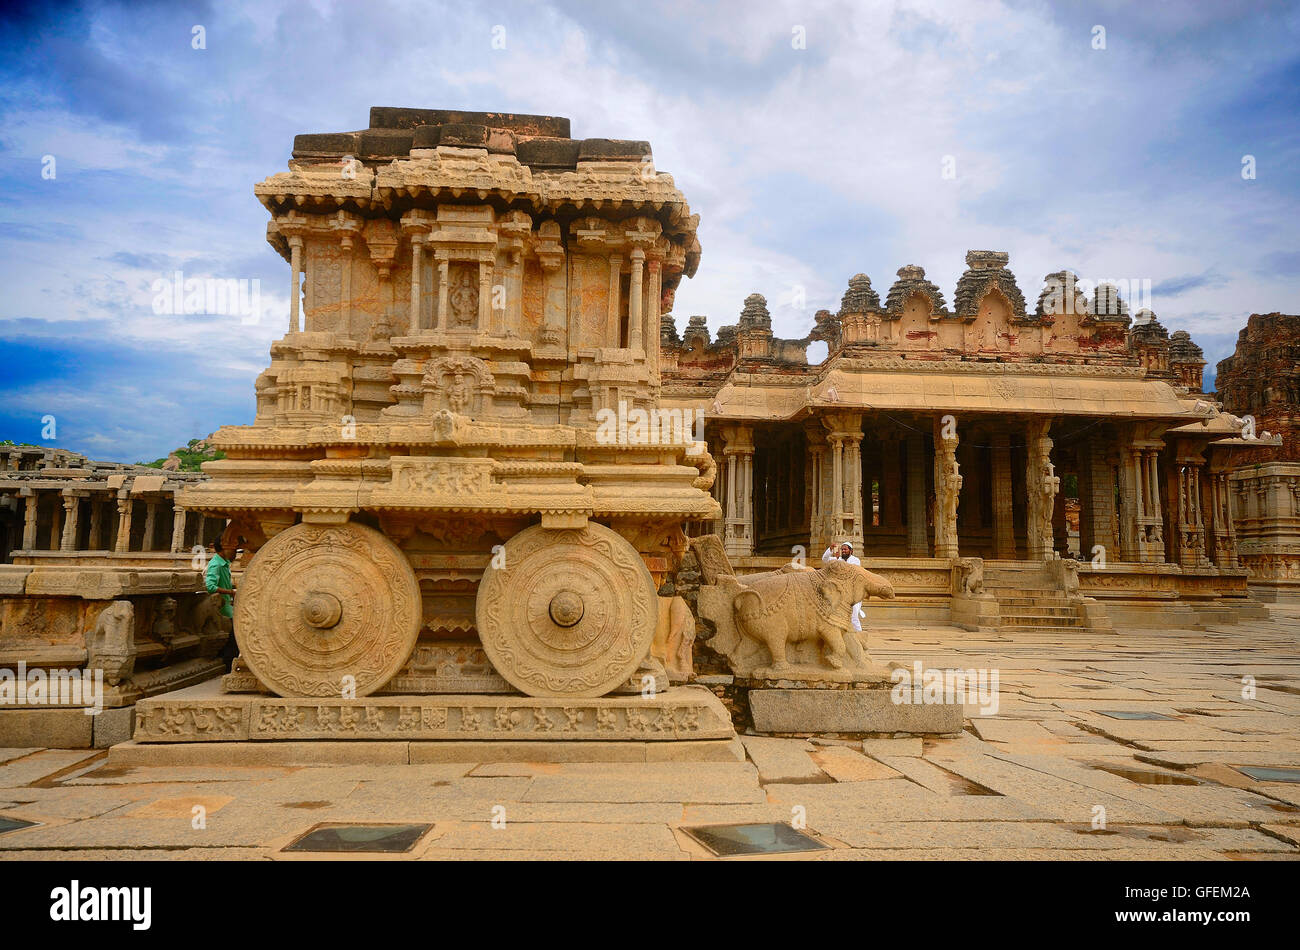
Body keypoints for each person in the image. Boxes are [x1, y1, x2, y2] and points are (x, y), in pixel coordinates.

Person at [205, 538, 238, 671]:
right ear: (224, 548)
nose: (235, 553)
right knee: (232, 640)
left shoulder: (224, 563)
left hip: (228, 607)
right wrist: (230, 592)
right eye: (233, 550)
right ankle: (227, 666)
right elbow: (210, 586)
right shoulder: (216, 564)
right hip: (223, 610)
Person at [821, 540, 864, 632]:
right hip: (840, 592)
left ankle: (860, 635)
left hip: (853, 592)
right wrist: (830, 549)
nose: (843, 551)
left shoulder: (856, 560)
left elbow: (850, 571)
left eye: (845, 549)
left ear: (851, 551)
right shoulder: (837, 559)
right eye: (842, 549)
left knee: (854, 616)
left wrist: (838, 561)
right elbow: (824, 559)